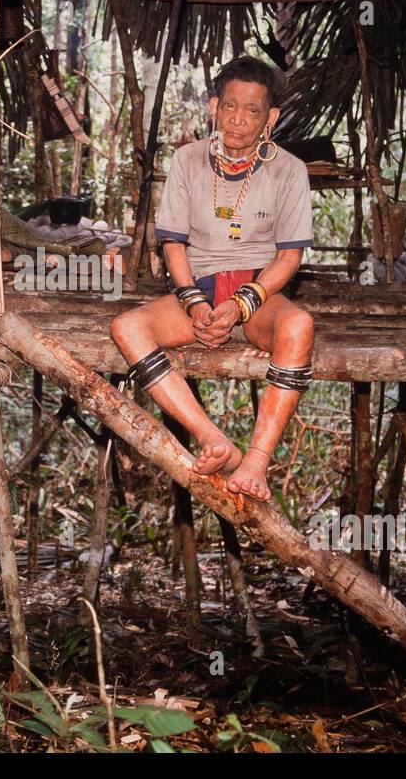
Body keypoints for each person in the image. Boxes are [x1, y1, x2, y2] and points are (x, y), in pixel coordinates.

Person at [109, 55, 314, 502]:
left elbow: (290, 257)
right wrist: (194, 303)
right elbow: (174, 245)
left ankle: (257, 461)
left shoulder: (290, 170)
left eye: (253, 110)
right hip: (199, 285)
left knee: (299, 325)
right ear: (214, 107)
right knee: (127, 327)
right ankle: (212, 437)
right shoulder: (187, 160)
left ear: (270, 118)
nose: (239, 120)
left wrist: (242, 303)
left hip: (258, 293)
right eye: (229, 106)